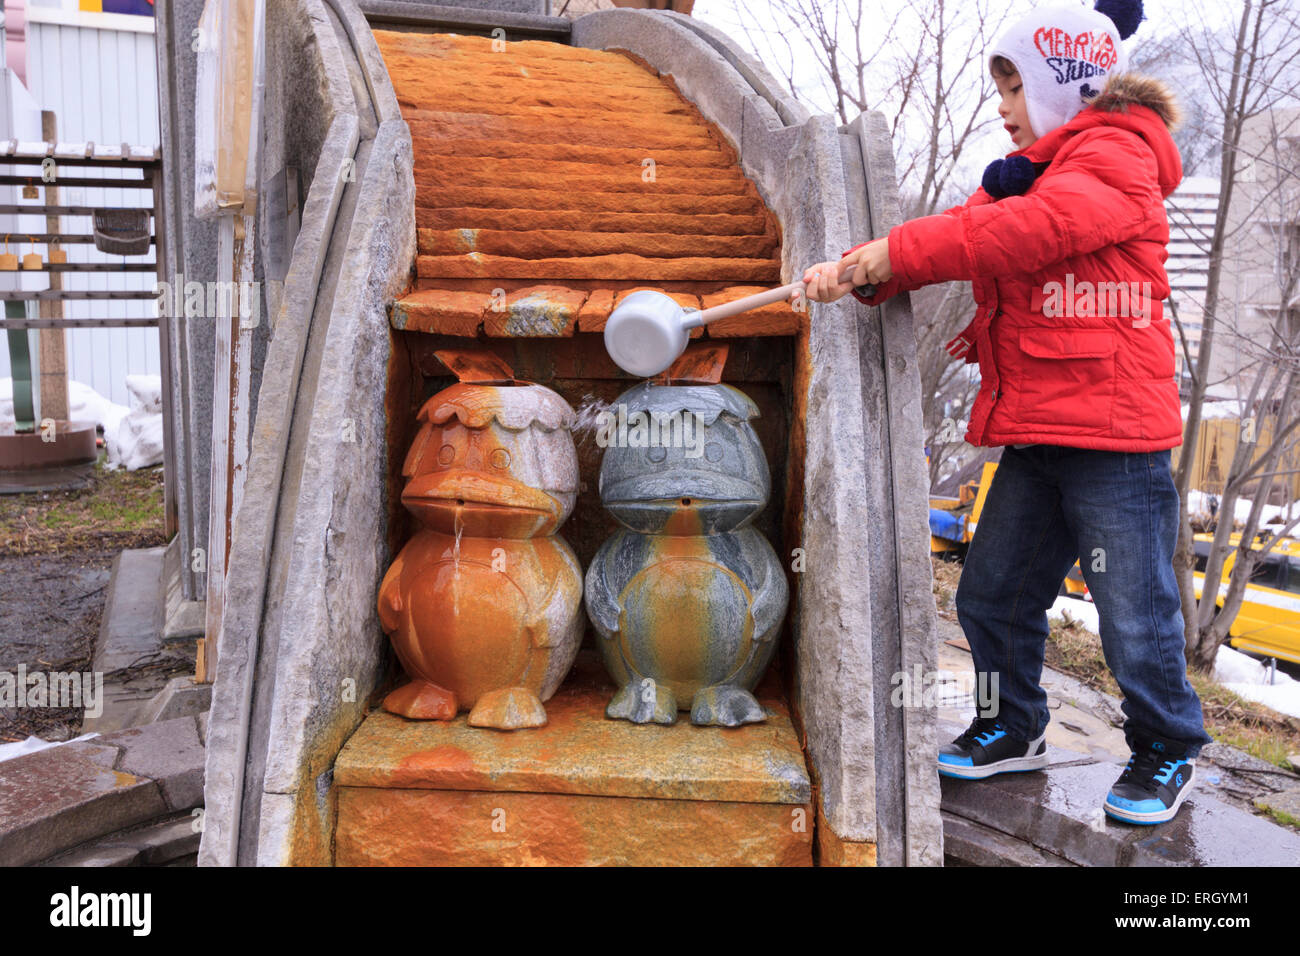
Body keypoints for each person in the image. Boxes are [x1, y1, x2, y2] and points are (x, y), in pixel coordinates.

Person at [797, 0, 1213, 825]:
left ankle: (1166, 748)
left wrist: (899, 252)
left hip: (1115, 439)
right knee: (991, 592)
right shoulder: (1045, 169)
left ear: (1066, 86)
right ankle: (1011, 725)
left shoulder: (1114, 158)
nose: (1003, 107)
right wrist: (873, 270)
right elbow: (971, 226)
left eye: (1015, 88)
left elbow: (1031, 233)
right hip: (1042, 429)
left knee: (1132, 610)